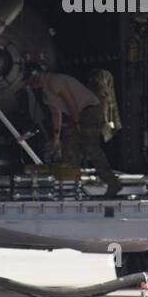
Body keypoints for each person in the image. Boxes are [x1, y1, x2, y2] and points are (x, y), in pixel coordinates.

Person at [24, 64, 121, 197]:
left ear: (36, 77)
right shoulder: (46, 93)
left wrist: (77, 124)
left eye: (30, 81)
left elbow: (71, 103)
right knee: (69, 145)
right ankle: (69, 184)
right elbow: (56, 114)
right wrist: (56, 140)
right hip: (79, 114)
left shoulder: (55, 81)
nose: (30, 85)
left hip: (90, 111)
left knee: (90, 148)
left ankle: (112, 183)